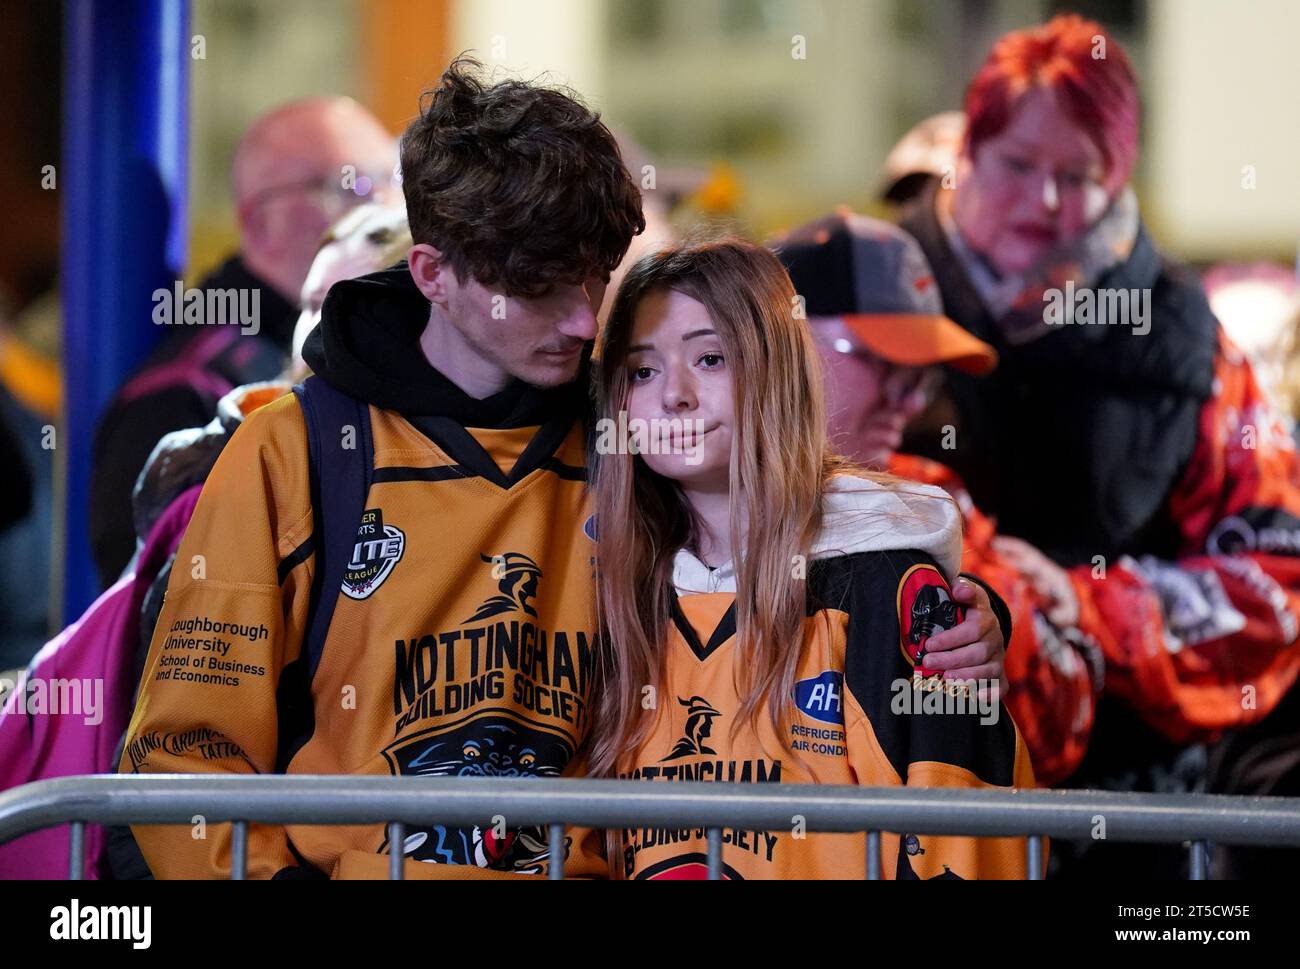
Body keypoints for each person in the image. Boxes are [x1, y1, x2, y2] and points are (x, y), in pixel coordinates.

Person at [894, 14, 1300, 876]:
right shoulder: (872, 294)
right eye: (1017, 165)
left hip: (1134, 819)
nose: (1043, 201)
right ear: (967, 150)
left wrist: (1081, 607)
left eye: (1077, 175)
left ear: (1120, 181)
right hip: (893, 792)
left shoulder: (1191, 346)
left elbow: (1278, 579)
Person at [569, 236, 1032, 880]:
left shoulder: (884, 584)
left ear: (775, 369)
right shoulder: (612, 590)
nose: (673, 394)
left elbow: (964, 838)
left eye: (710, 359)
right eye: (641, 371)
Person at [775, 210, 1099, 786]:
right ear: (778, 337)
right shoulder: (679, 488)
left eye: (921, 377)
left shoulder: (927, 504)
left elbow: (1054, 731)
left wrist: (1015, 635)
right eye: (880, 361)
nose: (907, 401)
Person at [90, 97, 398, 585]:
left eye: (394, 180)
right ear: (258, 221)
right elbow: (155, 604)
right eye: (352, 185)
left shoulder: (383, 348)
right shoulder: (185, 390)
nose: (384, 207)